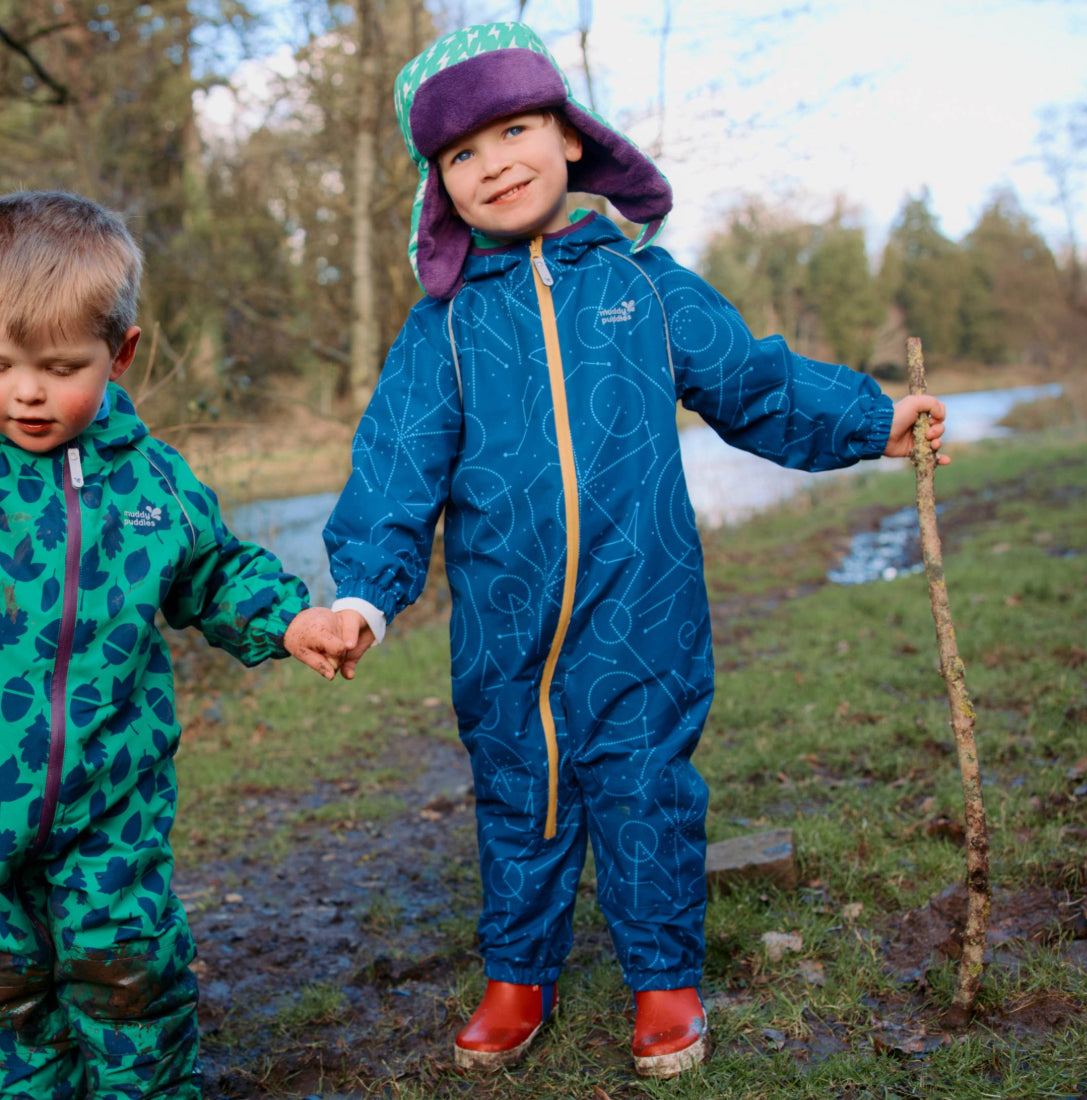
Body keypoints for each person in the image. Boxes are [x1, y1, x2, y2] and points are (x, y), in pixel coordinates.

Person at [324, 21, 948, 1079]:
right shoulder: (440, 331)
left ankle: (662, 975)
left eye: (513, 129)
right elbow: (393, 472)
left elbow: (754, 382)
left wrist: (869, 419)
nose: (494, 164)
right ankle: (519, 968)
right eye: (460, 154)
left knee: (645, 783)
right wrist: (363, 596)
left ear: (569, 135)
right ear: (438, 185)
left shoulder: (645, 286)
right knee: (521, 786)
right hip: (503, 626)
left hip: (642, 607)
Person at [0, 189, 347, 1098]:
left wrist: (289, 618)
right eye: (1, 365)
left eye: (57, 365)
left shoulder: (152, 483)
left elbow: (213, 572)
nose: (26, 390)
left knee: (128, 976)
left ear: (120, 354)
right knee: (11, 1000)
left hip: (111, 804)